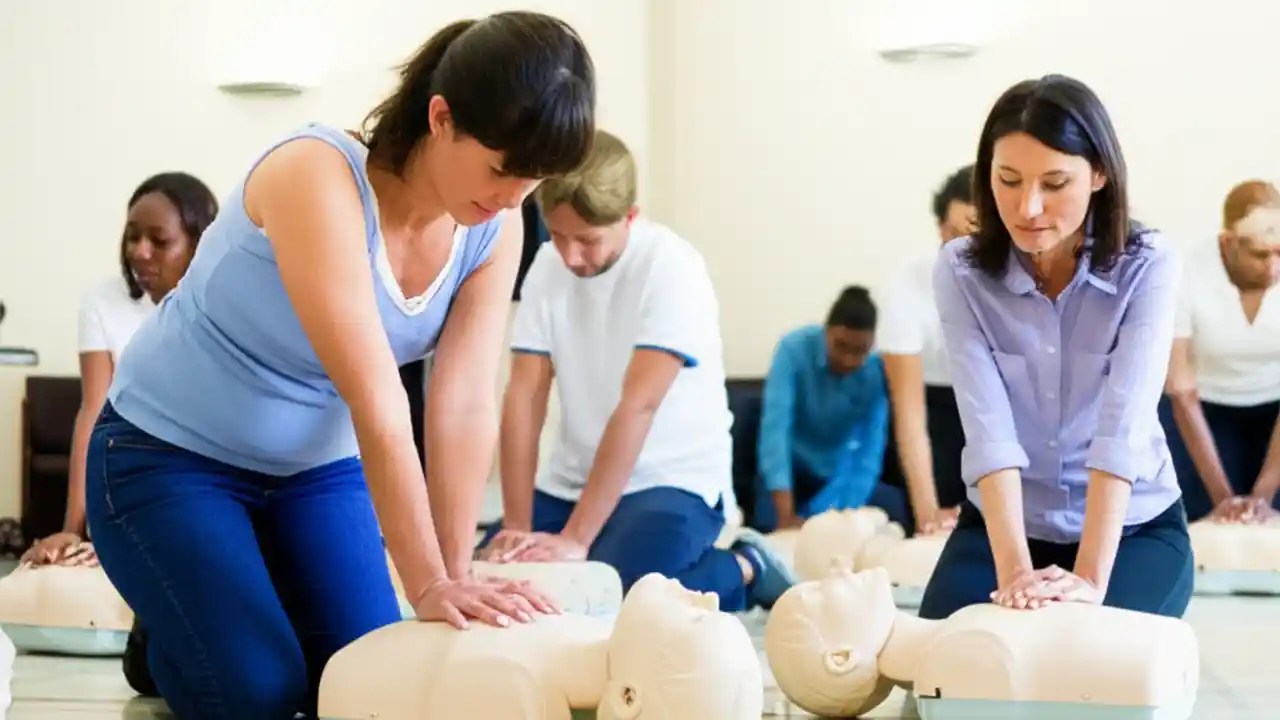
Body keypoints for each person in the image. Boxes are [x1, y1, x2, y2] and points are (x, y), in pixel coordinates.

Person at [83, 12, 596, 719]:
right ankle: (167, 631)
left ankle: (216, 597)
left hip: (313, 475)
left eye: (533, 181)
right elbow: (379, 400)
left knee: (364, 679)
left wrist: (452, 580)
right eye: (503, 169)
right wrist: (425, 587)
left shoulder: (494, 227)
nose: (514, 198)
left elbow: (464, 401)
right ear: (441, 118)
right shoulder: (314, 176)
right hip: (165, 457)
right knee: (262, 691)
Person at [480, 129, 794, 612]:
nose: (570, 256)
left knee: (622, 596)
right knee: (498, 577)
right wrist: (518, 526)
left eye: (586, 240)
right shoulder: (547, 266)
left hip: (671, 481)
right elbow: (524, 396)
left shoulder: (672, 268)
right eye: (557, 235)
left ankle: (745, 565)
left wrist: (576, 539)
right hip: (571, 482)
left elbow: (637, 407)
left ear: (629, 217)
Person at [917, 74, 1193, 622]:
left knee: (1084, 658)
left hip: (1134, 528)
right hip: (1007, 526)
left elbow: (1124, 428)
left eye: (1055, 182)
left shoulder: (1149, 264)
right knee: (942, 674)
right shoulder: (962, 269)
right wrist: (1015, 575)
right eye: (1009, 180)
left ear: (1098, 175)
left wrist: (1089, 580)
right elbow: (987, 428)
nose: (1029, 207)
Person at [20, 172, 217, 567]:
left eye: (159, 241)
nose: (140, 252)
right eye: (132, 236)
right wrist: (73, 528)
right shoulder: (102, 301)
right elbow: (94, 411)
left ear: (198, 244)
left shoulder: (220, 304)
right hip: (128, 480)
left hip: (200, 491)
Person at [1162, 179, 1280, 523]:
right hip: (1203, 410)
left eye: (1279, 253)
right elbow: (1181, 392)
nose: (1273, 267)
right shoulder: (1184, 272)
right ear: (1228, 243)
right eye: (1260, 254)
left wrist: (1265, 494)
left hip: (1274, 410)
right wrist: (1223, 499)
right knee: (1185, 512)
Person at [754, 286, 907, 532]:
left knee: (894, 508)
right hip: (792, 470)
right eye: (841, 346)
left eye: (859, 351)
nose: (849, 359)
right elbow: (775, 433)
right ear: (826, 331)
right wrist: (786, 516)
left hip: (839, 474)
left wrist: (829, 517)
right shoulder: (792, 349)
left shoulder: (878, 368)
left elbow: (869, 451)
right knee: (768, 528)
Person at [878, 165, 977, 536]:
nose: (967, 248)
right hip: (933, 413)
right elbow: (909, 412)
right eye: (957, 234)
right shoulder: (908, 284)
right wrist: (927, 514)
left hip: (994, 410)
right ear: (941, 228)